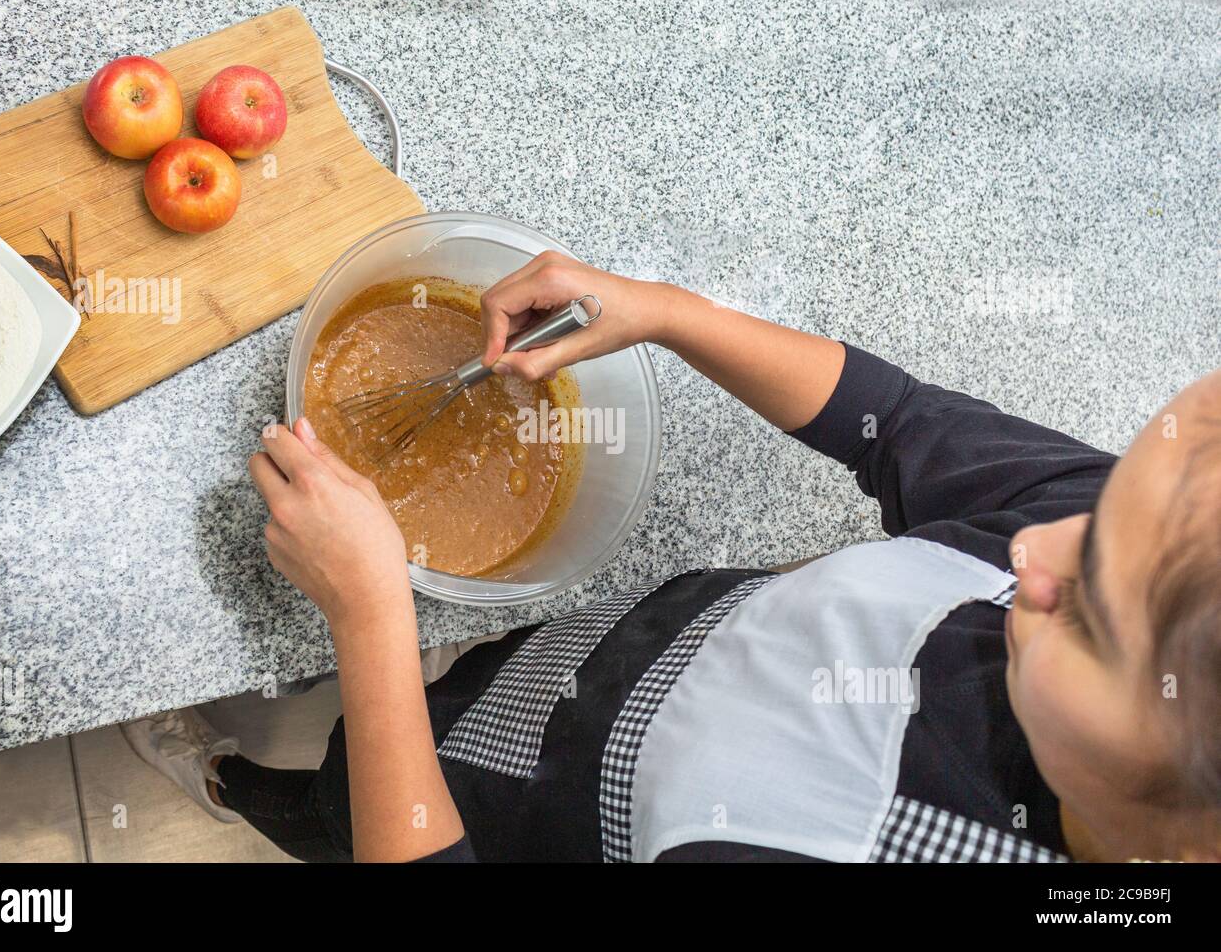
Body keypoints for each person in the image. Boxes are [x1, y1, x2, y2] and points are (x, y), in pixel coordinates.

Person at [124, 251, 1221, 862]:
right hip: (588, 671)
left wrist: (369, 620)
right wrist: (669, 315)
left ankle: (230, 782)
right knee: (445, 699)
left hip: (496, 829)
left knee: (343, 797)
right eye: (1107, 494)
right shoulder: (1149, 559)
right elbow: (900, 421)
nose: (1034, 543)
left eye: (1086, 612)